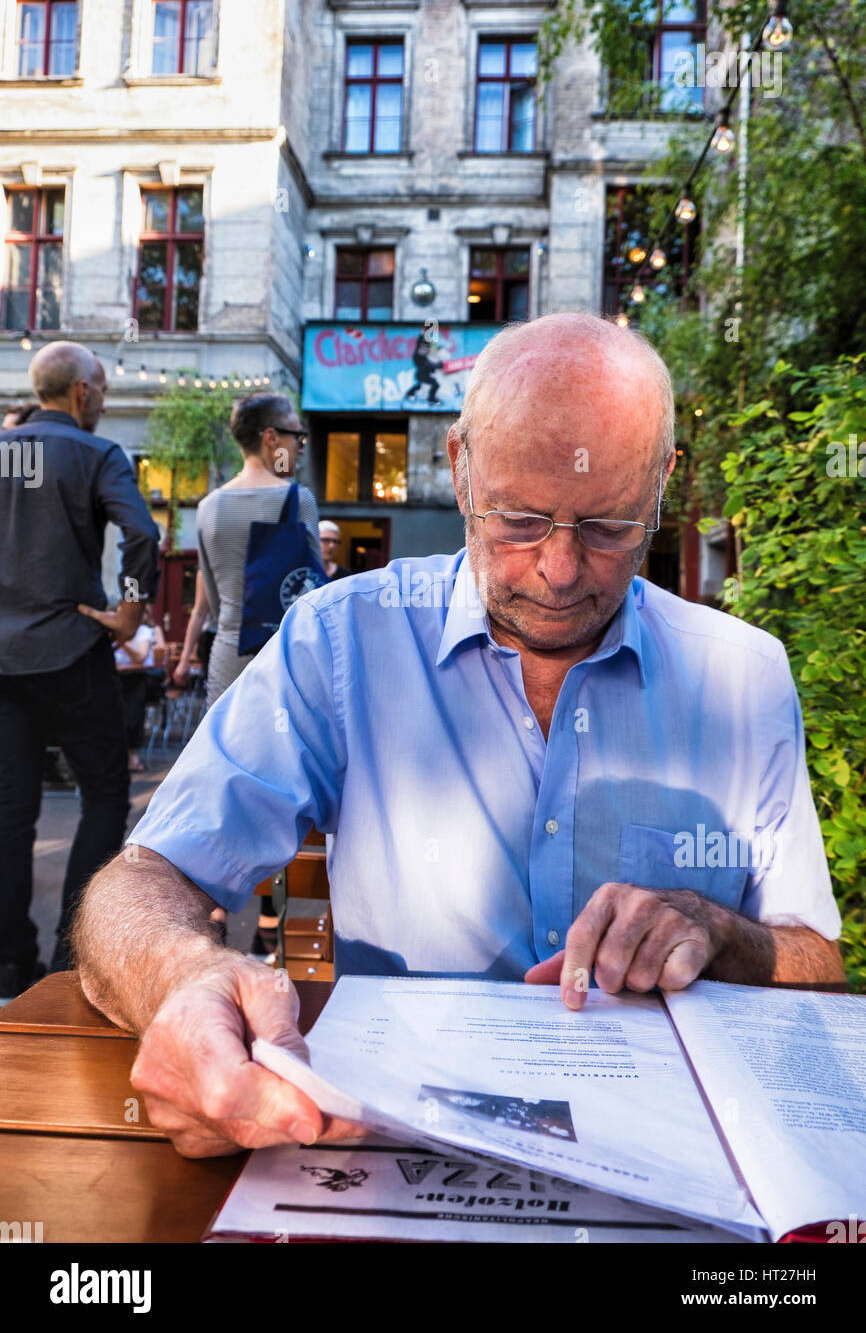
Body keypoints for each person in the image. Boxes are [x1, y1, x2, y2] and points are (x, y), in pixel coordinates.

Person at [73, 312, 846, 1160]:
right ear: (458, 466)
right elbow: (142, 882)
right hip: (398, 1154)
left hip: (675, 1162)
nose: (557, 570)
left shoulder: (743, 676)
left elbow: (817, 963)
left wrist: (720, 929)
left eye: (609, 527)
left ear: (660, 484)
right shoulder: (342, 642)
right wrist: (181, 979)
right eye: (518, 519)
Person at [0, 342, 160, 992]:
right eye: (101, 388)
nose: (104, 399)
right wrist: (129, 611)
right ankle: (72, 960)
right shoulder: (97, 453)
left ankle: (10, 958)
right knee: (105, 794)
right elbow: (141, 533)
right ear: (81, 394)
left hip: (3, 662)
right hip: (70, 648)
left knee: (10, 810)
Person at [193, 394, 321, 709]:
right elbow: (313, 589)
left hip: (227, 652)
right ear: (271, 437)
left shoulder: (209, 507)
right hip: (285, 653)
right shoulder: (298, 499)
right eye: (297, 436)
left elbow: (213, 599)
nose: (301, 447)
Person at [115, 604, 166, 772]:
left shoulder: (143, 631)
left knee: (133, 696)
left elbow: (140, 658)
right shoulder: (114, 631)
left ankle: (131, 753)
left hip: (141, 679)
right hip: (119, 678)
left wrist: (121, 641)